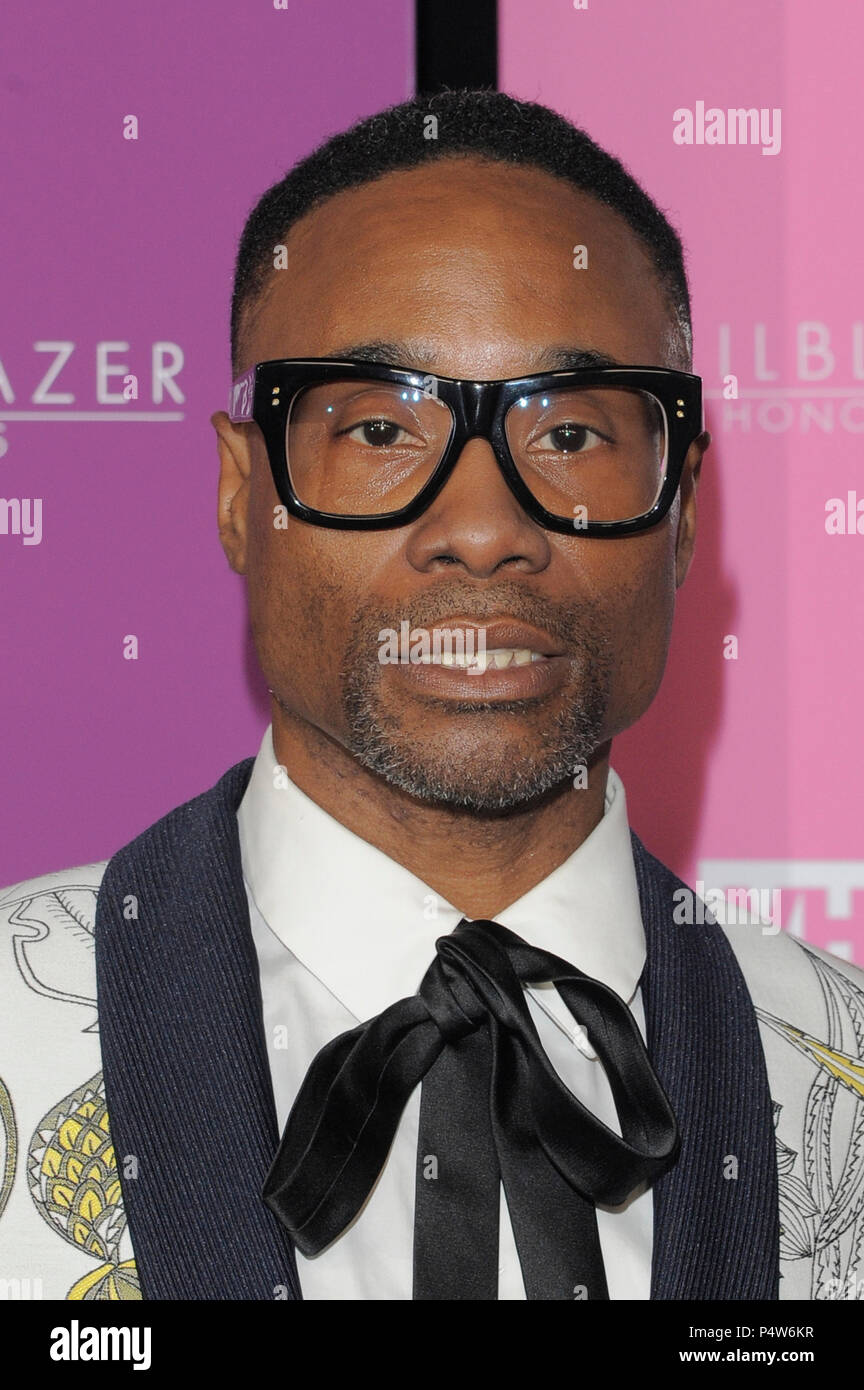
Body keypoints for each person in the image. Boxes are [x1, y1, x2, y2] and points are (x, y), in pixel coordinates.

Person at [1, 88, 862, 1304]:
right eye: (378, 431)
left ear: (681, 509)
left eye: (568, 436)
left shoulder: (846, 1081)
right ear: (244, 494)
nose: (479, 528)